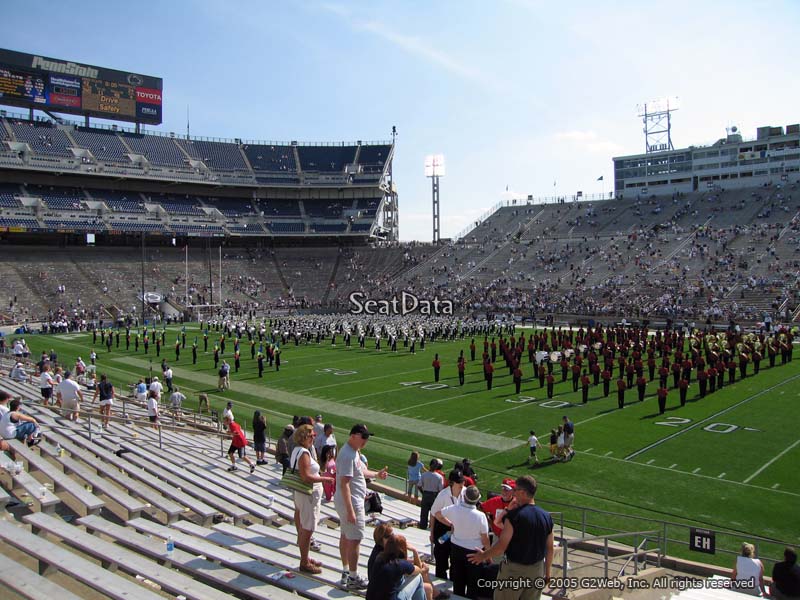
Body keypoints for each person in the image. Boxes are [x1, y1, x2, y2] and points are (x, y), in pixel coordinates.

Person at [468, 475, 554, 600]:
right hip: (537, 570)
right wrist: (547, 573)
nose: (513, 493)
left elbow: (501, 546)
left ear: (523, 492)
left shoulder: (514, 516)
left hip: (514, 571)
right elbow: (550, 548)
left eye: (516, 490)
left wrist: (483, 556)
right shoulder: (546, 516)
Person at [334, 424, 388, 590]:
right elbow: (344, 484)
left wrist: (376, 475)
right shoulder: (348, 455)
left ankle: (346, 571)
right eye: (363, 437)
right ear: (353, 436)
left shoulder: (353, 452)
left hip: (350, 501)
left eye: (367, 437)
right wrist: (351, 510)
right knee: (355, 539)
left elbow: (360, 472)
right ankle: (353, 577)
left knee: (346, 535)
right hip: (351, 502)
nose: (366, 440)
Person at [290, 423, 334, 574]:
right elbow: (306, 477)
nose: (313, 438)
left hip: (304, 495)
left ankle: (306, 558)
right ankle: (304, 563)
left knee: (305, 528)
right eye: (311, 435)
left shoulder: (298, 450)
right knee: (307, 529)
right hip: (308, 495)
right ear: (304, 437)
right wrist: (324, 479)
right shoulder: (303, 453)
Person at [436, 485, 490, 598]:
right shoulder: (481, 516)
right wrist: (488, 555)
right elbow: (485, 539)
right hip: (474, 553)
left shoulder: (454, 508)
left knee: (458, 583)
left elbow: (438, 514)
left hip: (456, 549)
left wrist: (450, 524)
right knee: (473, 585)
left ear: (464, 497)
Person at [366, 534, 430, 600]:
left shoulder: (379, 558)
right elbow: (419, 569)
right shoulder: (400, 564)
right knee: (418, 577)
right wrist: (414, 551)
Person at [430, 469, 465, 580]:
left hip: (458, 530)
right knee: (441, 558)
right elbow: (433, 513)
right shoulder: (443, 495)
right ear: (452, 483)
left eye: (462, 481)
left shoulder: (465, 492)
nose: (462, 484)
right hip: (443, 529)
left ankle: (453, 582)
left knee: (456, 560)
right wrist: (432, 533)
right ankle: (440, 580)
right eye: (459, 482)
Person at [419, 458, 445, 530]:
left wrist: (423, 493)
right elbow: (441, 489)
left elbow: (419, 485)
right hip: (434, 496)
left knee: (424, 513)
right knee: (434, 513)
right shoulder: (439, 477)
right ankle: (432, 528)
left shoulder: (424, 475)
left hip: (426, 494)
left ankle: (422, 527)